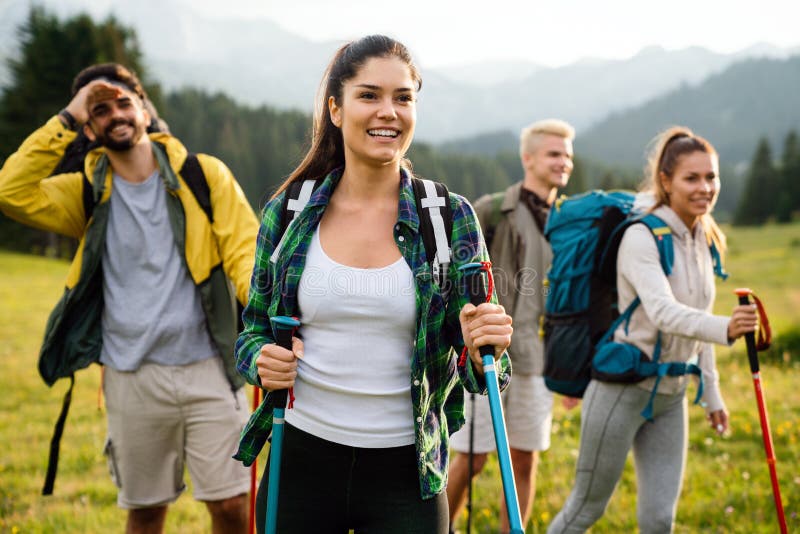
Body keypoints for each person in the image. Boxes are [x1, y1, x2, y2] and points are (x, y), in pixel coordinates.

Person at [232, 35, 514, 534]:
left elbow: (486, 368)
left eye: (403, 97)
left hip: (408, 473)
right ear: (336, 110)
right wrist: (260, 359)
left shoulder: (448, 218)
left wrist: (481, 348)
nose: (389, 111)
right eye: (369, 95)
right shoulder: (290, 211)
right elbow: (251, 332)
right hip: (301, 462)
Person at [0, 63, 259, 534]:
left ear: (144, 109)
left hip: (209, 369)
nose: (115, 114)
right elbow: (10, 191)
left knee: (233, 506)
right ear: (88, 126)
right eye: (99, 110)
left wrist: (263, 310)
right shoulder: (85, 192)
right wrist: (68, 116)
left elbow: (245, 253)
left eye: (124, 102)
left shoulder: (203, 175)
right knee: (145, 512)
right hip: (131, 376)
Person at [547, 127, 759, 533]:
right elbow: (663, 312)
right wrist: (727, 328)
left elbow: (698, 316)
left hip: (671, 396)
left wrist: (712, 393)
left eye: (711, 177)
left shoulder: (703, 237)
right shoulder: (641, 237)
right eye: (691, 178)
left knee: (660, 520)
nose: (704, 188)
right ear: (666, 181)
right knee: (584, 510)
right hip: (621, 390)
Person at [446, 118, 576, 533]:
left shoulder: (569, 222)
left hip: (536, 360)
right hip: (486, 354)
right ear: (528, 158)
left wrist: (569, 368)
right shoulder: (491, 210)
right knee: (473, 458)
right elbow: (451, 272)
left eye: (568, 155)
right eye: (554, 153)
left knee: (524, 458)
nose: (563, 162)